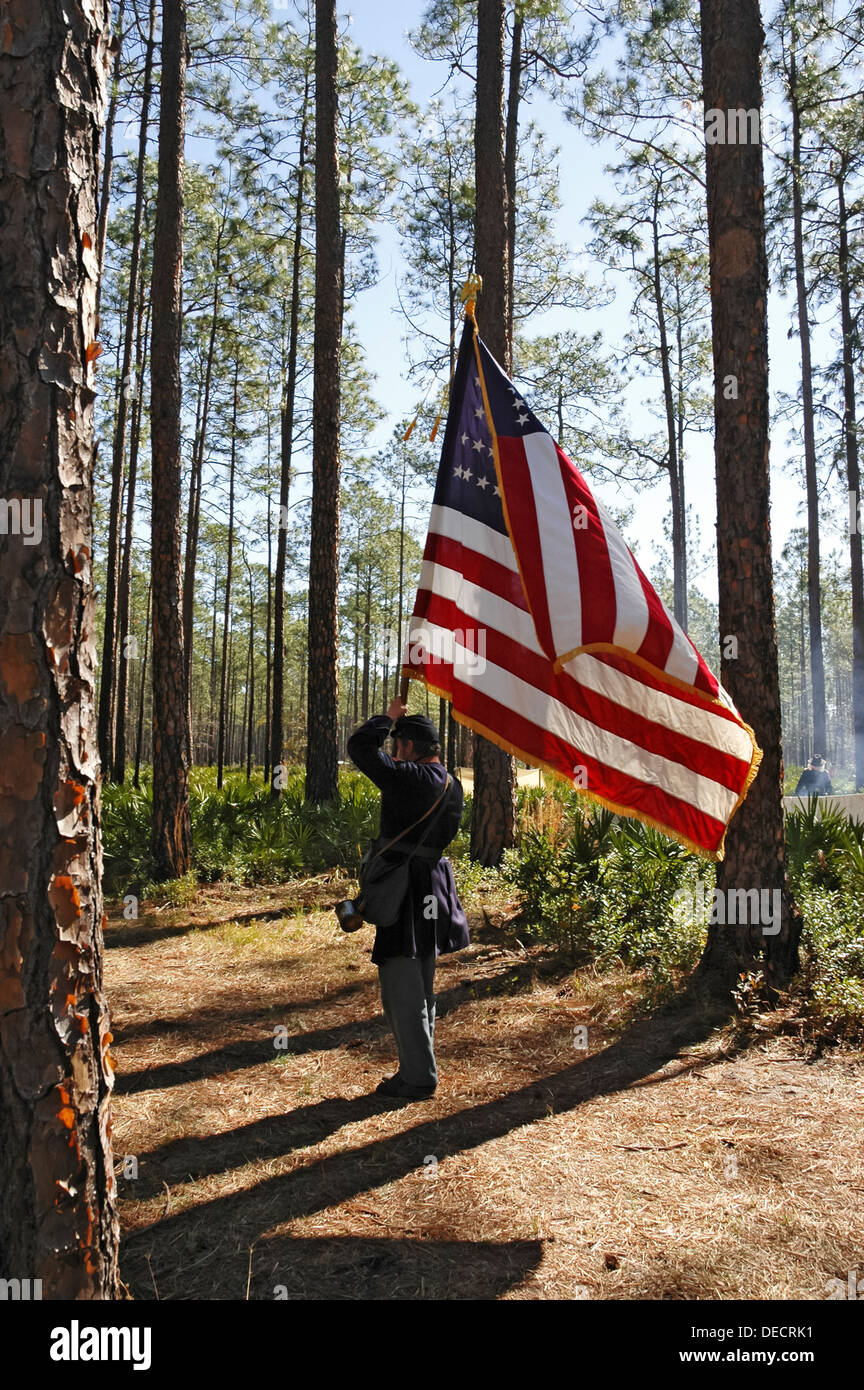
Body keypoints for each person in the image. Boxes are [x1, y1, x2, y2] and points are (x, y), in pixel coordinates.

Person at [346, 695, 469, 1101]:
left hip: (404, 890)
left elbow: (360, 748)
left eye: (398, 747)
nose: (395, 755)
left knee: (402, 986)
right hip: (433, 886)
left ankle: (418, 1077)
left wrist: (387, 717)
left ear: (410, 748)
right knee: (422, 982)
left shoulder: (410, 777)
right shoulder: (453, 786)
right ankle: (421, 1066)